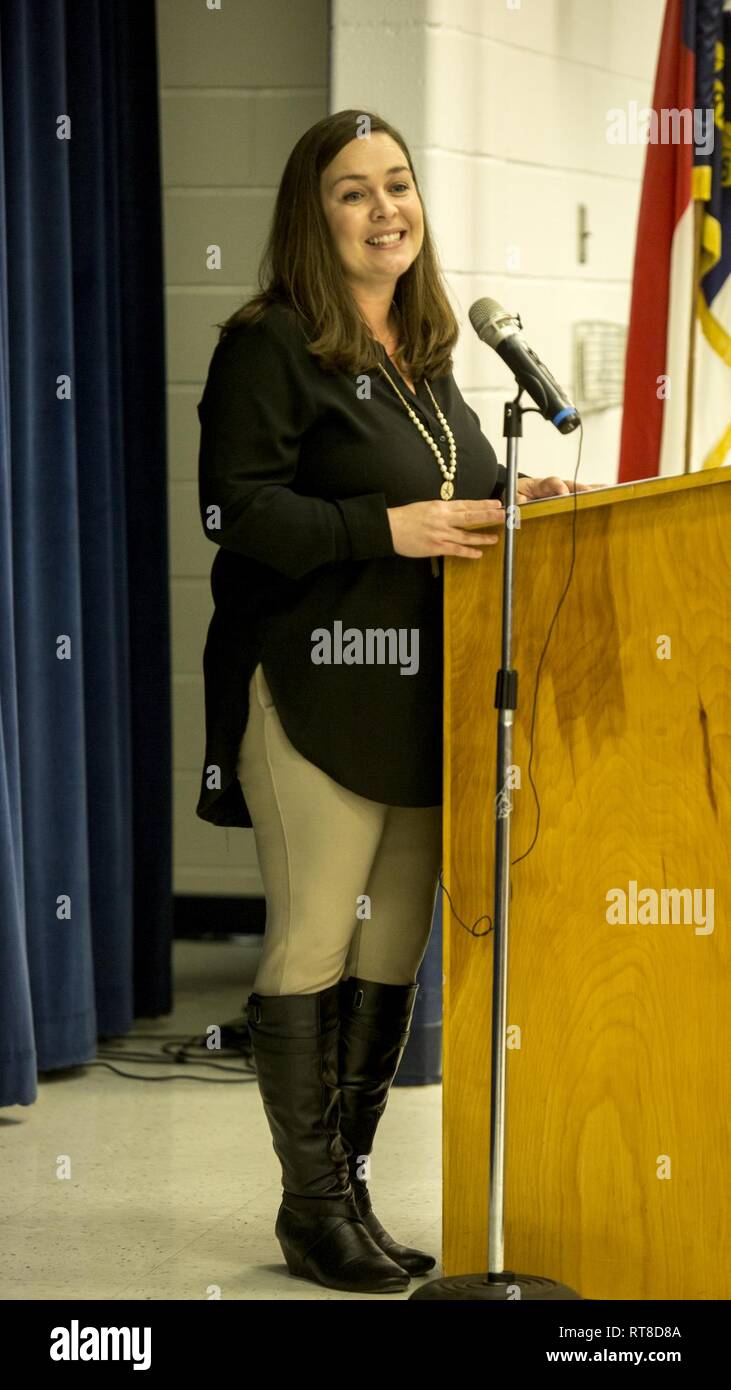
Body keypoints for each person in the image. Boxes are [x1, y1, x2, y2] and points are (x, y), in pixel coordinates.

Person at [196, 109, 593, 1296]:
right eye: (354, 193)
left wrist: (525, 497)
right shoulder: (268, 344)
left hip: (428, 694)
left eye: (398, 186)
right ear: (312, 218)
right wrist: (385, 529)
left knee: (391, 943)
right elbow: (236, 512)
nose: (386, 211)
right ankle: (307, 1211)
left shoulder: (420, 350)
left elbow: (451, 489)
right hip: (312, 680)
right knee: (316, 937)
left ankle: (350, 1191)